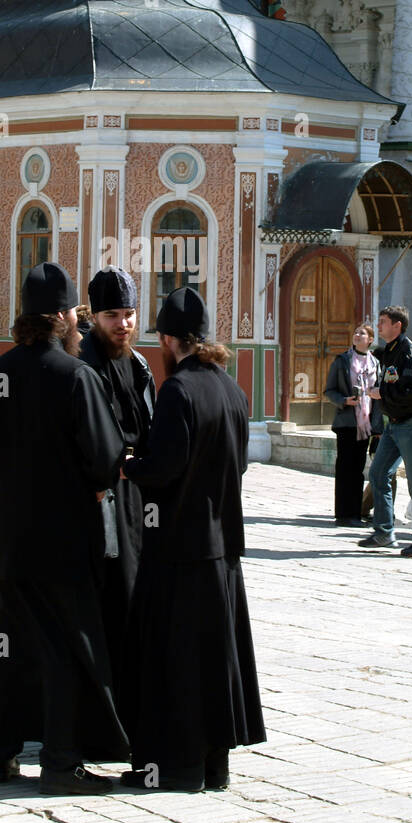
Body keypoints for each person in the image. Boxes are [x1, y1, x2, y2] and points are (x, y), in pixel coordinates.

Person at [0, 262, 128, 795]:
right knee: (66, 648)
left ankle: (0, 752)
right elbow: (105, 457)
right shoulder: (75, 376)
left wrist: (18, 485)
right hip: (64, 542)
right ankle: (61, 763)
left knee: (6, 647)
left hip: (12, 541)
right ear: (63, 317)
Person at [119, 286, 265, 792]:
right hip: (223, 547)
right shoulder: (232, 388)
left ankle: (173, 768)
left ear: (168, 339)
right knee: (216, 660)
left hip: (180, 546)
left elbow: (166, 466)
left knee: (175, 659)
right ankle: (215, 767)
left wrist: (128, 465)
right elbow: (239, 462)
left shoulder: (178, 390)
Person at [79, 267, 155, 686]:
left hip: (135, 493)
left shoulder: (139, 363)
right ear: (93, 316)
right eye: (113, 316)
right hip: (97, 497)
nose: (123, 324)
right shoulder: (80, 365)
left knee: (134, 593)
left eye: (129, 314)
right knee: (106, 595)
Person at [360, 304, 412, 556]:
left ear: (397, 325)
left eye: (383, 321)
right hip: (393, 424)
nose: (378, 325)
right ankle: (384, 531)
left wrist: (383, 393)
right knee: (379, 473)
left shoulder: (408, 353)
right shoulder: (390, 352)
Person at [324, 322, 381, 526]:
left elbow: (378, 392)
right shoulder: (342, 361)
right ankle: (343, 514)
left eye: (362, 333)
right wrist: (344, 401)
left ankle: (356, 513)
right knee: (345, 467)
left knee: (358, 468)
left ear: (371, 339)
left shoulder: (375, 363)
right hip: (347, 421)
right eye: (356, 333)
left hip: (365, 423)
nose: (357, 335)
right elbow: (329, 391)